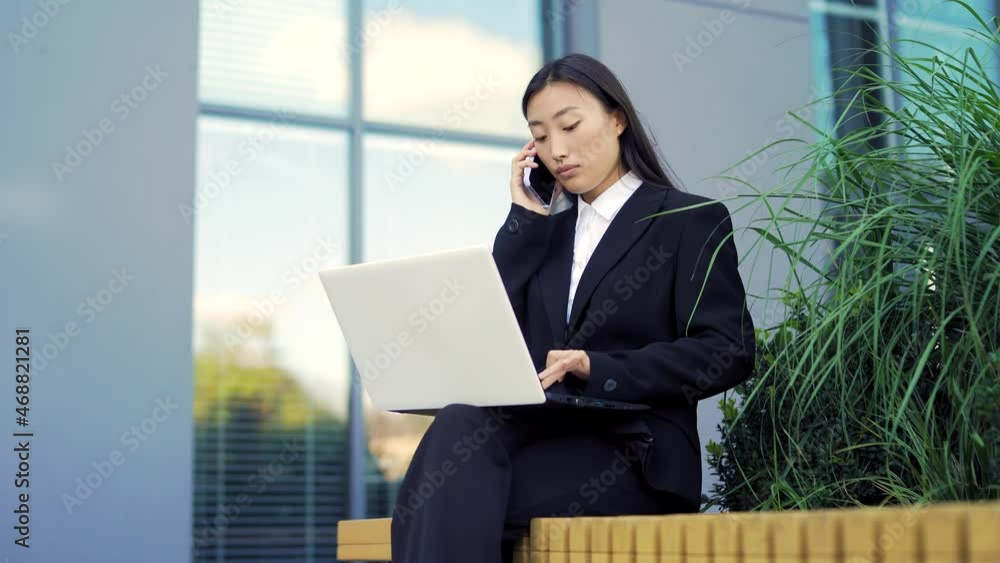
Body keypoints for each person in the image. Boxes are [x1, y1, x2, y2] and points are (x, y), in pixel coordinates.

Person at [389, 52, 756, 563]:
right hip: (540, 441)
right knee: (457, 425)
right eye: (539, 136)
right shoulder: (543, 234)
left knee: (440, 505)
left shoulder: (687, 220)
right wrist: (522, 224)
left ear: (617, 118)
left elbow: (728, 350)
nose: (556, 150)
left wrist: (597, 367)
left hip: (632, 456)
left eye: (569, 125)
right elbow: (495, 338)